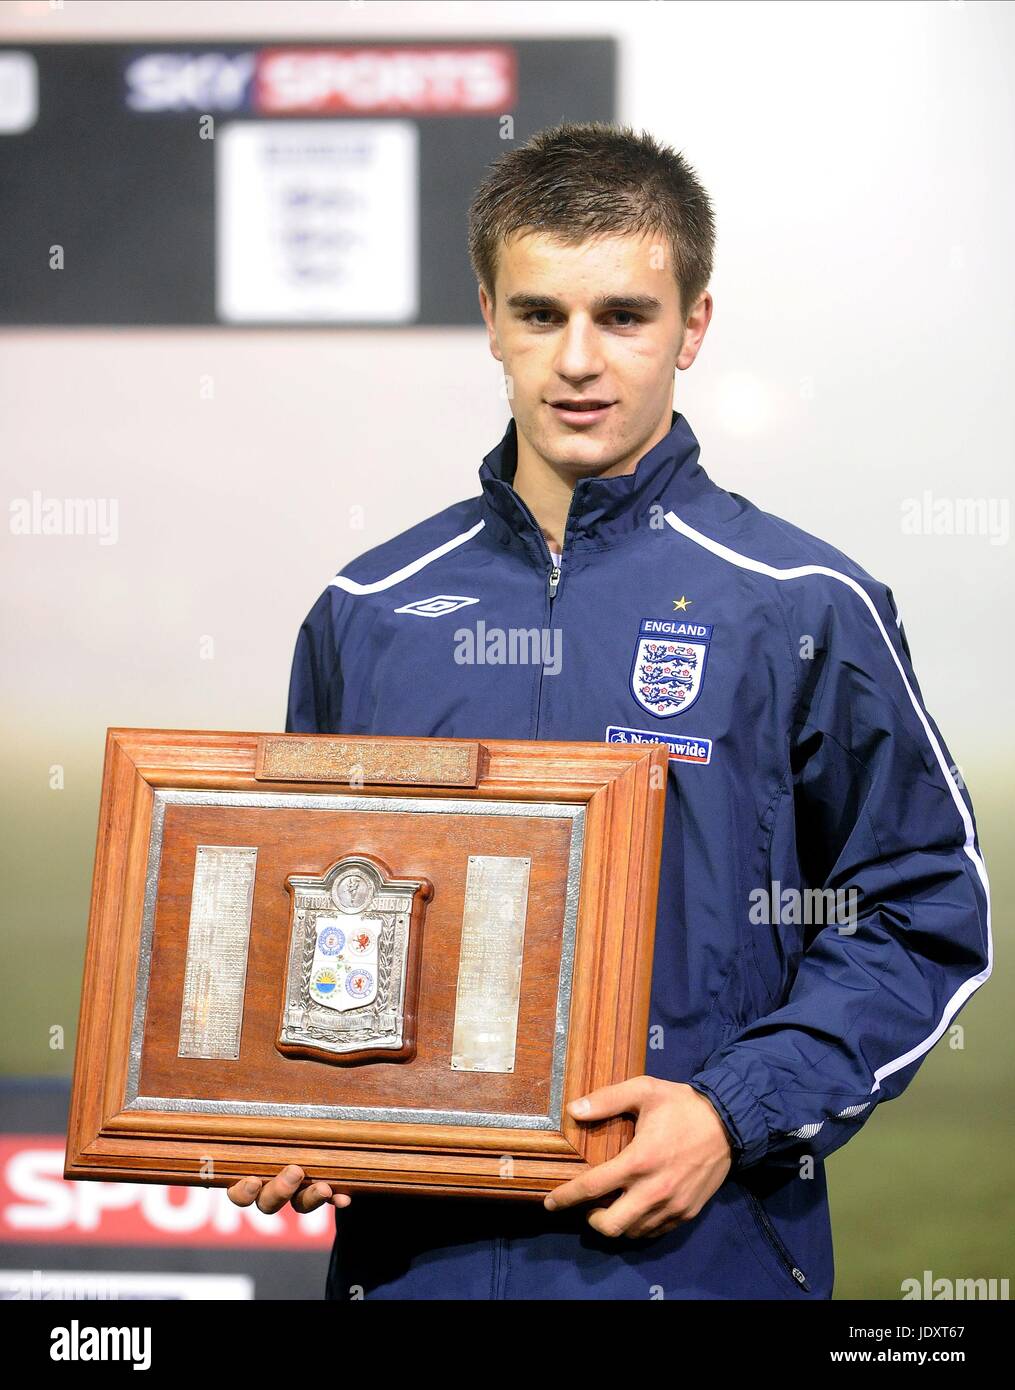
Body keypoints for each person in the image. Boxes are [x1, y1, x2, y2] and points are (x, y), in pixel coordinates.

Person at [227, 121, 991, 1300]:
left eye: (623, 316)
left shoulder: (799, 603)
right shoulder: (367, 609)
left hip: (695, 1258)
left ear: (692, 326)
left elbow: (923, 912)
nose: (577, 358)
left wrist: (730, 1112)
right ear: (489, 314)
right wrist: (292, 1102)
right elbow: (319, 910)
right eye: (539, 313)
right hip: (414, 1266)